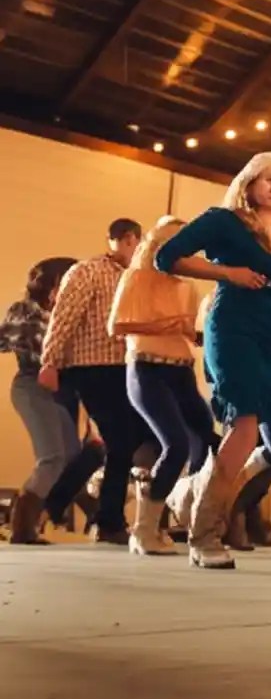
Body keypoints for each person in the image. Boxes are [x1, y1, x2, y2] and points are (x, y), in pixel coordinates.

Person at [155, 152, 271, 570]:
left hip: (270, 342)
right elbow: (167, 257)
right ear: (248, 184)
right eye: (268, 178)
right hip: (232, 329)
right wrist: (228, 274)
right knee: (244, 425)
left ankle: (193, 491)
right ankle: (204, 534)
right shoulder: (223, 221)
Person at [38, 218, 152, 544]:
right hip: (93, 368)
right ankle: (108, 522)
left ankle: (56, 504)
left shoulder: (134, 276)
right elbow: (64, 316)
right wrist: (50, 362)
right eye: (136, 243)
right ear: (128, 239)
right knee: (119, 443)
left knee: (120, 442)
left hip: (125, 368)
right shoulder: (86, 271)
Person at [114, 216, 219, 556]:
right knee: (175, 444)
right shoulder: (138, 276)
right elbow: (117, 325)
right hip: (146, 367)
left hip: (182, 369)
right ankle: (143, 530)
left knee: (209, 436)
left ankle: (191, 504)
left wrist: (198, 332)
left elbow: (188, 330)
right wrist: (167, 324)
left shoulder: (188, 286)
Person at [1, 257, 84, 544]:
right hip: (31, 385)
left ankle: (51, 512)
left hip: (53, 392)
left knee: (76, 453)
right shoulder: (26, 310)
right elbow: (25, 345)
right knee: (51, 458)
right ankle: (22, 528)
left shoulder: (57, 314)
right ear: (54, 283)